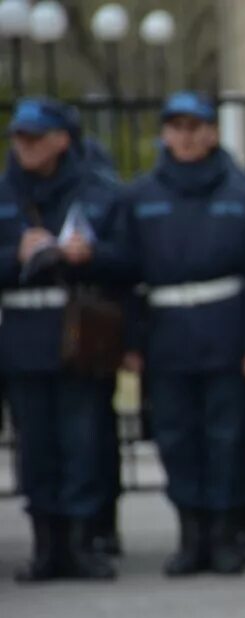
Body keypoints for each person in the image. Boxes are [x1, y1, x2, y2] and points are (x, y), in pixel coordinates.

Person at [123, 92, 245, 577]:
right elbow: (126, 276)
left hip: (225, 330)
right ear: (165, 133)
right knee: (177, 438)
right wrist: (131, 342)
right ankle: (191, 536)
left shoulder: (243, 194)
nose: (186, 136)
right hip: (167, 336)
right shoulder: (141, 197)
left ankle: (226, 535)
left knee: (228, 438)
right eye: (176, 126)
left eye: (195, 126)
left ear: (211, 131)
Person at [0, 97, 133, 582]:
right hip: (23, 335)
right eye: (19, 137)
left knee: (82, 443)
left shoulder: (99, 193)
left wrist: (90, 256)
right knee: (36, 447)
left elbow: (131, 262)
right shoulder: (4, 193)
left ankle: (82, 542)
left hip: (81, 334)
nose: (25, 146)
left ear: (61, 140)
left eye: (36, 136)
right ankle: (45, 546)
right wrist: (17, 256)